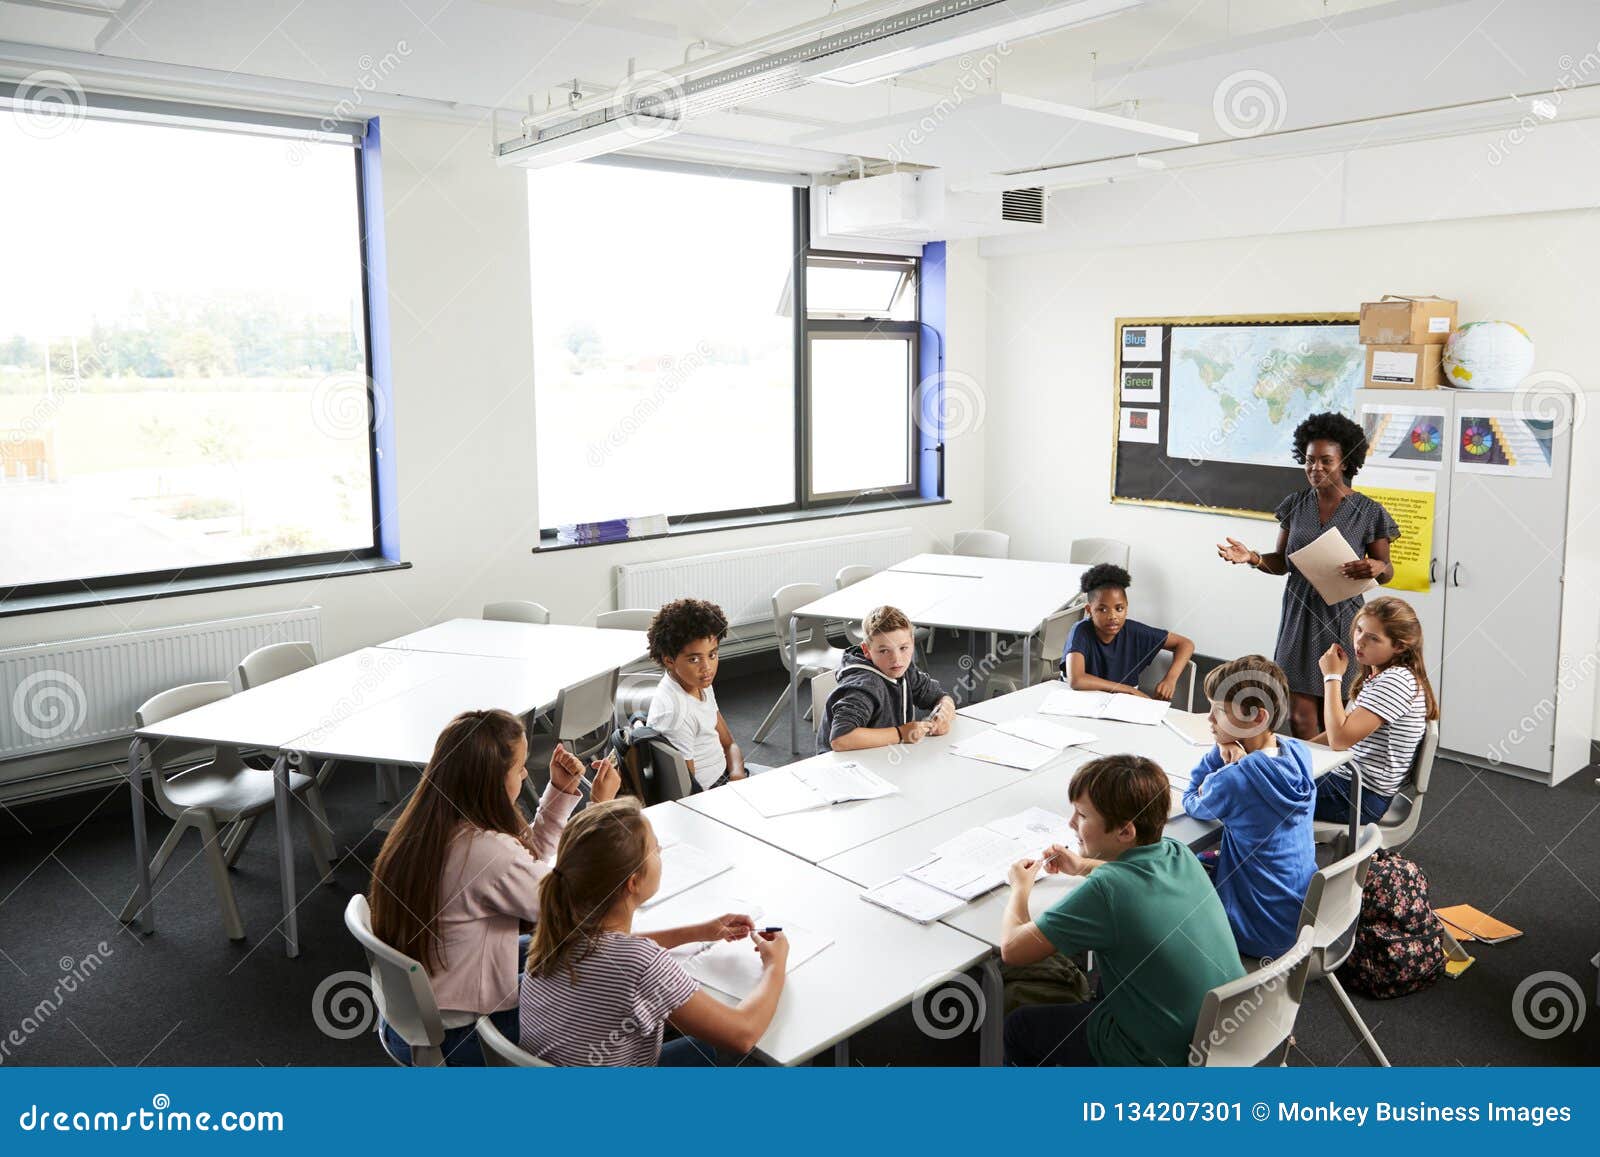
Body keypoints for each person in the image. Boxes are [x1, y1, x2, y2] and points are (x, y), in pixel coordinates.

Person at [368, 708, 620, 1065]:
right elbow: (572, 903)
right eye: (519, 769)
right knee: (599, 999)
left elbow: (523, 864)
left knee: (552, 950)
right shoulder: (485, 851)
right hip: (459, 1037)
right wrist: (600, 807)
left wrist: (561, 792)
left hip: (410, 1017)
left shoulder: (428, 823)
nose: (523, 775)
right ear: (492, 780)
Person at [999, 755, 1244, 1066]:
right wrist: (1082, 865)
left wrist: (1020, 887)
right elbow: (1140, 877)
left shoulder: (1107, 889)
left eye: (1082, 815)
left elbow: (1012, 949)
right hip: (1226, 1035)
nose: (1072, 823)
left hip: (1158, 1056)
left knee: (1019, 1027)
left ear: (1125, 832)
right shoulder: (1177, 852)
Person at [519, 798, 788, 1065]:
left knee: (700, 1044)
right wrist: (775, 964)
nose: (660, 850)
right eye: (655, 849)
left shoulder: (558, 928)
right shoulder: (641, 963)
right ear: (633, 883)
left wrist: (699, 931)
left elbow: (612, 950)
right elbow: (742, 1034)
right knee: (740, 1055)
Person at [1216, 411, 1399, 738]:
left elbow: (1386, 572)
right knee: (1300, 719)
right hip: (1298, 617)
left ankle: (1332, 783)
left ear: (1345, 463)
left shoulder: (1369, 512)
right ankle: (1306, 783)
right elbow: (1283, 562)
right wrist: (1253, 558)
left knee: (1337, 715)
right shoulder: (1295, 505)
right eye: (1310, 460)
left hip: (1343, 618)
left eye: (1326, 461)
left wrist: (1377, 566)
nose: (1316, 468)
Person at [1182, 655, 1316, 958]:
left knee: (1173, 872)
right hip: (1297, 917)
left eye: (1219, 712)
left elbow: (1191, 801)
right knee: (1207, 858)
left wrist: (1218, 754)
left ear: (1257, 717)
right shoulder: (1298, 752)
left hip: (1254, 930)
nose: (1210, 720)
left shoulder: (1234, 781)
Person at [1312, 595, 1437, 825]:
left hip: (1356, 796)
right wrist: (1294, 748)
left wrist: (1332, 676)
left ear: (1399, 646)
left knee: (1252, 785)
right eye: (1359, 630)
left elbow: (1339, 739)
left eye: (1373, 638)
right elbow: (1338, 733)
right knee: (1260, 771)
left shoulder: (1396, 682)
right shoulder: (1383, 675)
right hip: (1348, 783)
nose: (1359, 642)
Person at [645, 597, 751, 791]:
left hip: (729, 777)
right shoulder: (677, 714)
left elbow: (728, 743)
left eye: (712, 655)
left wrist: (737, 775)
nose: (707, 668)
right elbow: (687, 790)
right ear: (669, 661)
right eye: (694, 659)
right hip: (708, 792)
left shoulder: (699, 683)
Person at [818, 604, 956, 752]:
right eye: (884, 651)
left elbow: (942, 697)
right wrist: (900, 733)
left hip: (886, 756)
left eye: (903, 648)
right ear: (867, 651)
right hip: (846, 766)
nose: (896, 659)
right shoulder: (865, 686)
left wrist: (944, 714)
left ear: (912, 643)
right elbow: (841, 739)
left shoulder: (904, 670)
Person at [1062, 563, 1195, 700]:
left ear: (1126, 607)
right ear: (1089, 610)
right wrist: (1128, 690)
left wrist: (1170, 679)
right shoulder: (1080, 631)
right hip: (1081, 701)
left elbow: (1186, 644)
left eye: (1119, 609)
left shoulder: (1135, 632)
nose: (1112, 616)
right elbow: (1076, 680)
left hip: (1122, 706)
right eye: (1102, 609)